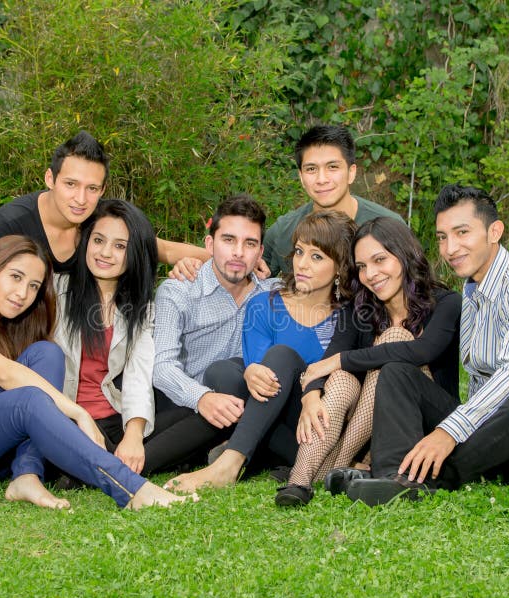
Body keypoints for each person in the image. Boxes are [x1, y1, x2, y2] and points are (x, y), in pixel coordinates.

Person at [0, 235, 188, 510]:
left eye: (34, 286)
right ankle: (131, 488)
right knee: (29, 399)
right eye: (15, 277)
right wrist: (79, 413)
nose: (23, 293)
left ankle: (26, 473)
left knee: (47, 354)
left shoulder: (10, 328)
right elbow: (8, 376)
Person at [340, 185, 509, 507]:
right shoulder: (471, 292)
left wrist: (449, 431)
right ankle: (390, 477)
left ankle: (420, 481)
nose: (450, 247)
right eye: (442, 237)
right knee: (398, 372)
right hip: (489, 440)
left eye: (462, 232)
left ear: (494, 231)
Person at [0, 130, 209, 352]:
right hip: (14, 337)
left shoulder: (97, 220)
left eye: (92, 189)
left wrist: (238, 261)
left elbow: (165, 249)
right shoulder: (11, 223)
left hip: (76, 339)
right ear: (50, 178)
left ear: (102, 190)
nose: (80, 199)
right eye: (71, 184)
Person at [164, 210, 357, 493]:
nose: (302, 264)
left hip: (319, 429)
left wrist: (310, 394)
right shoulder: (265, 303)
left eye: (317, 257)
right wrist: (253, 369)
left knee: (282, 355)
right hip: (272, 419)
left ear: (340, 267)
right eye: (300, 251)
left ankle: (235, 460)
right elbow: (257, 368)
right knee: (223, 373)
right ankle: (241, 459)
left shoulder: (348, 318)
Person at [275, 217, 461, 506]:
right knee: (342, 379)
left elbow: (422, 352)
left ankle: (337, 463)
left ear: (404, 255)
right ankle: (298, 482)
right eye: (362, 267)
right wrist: (311, 397)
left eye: (379, 260)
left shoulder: (446, 303)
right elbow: (324, 365)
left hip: (426, 422)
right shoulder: (360, 308)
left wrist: (341, 359)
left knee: (394, 337)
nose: (370, 274)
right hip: (368, 429)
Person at [143, 194, 278, 474]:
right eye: (228, 240)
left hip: (240, 402)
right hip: (182, 404)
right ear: (209, 244)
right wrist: (202, 398)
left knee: (232, 379)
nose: (238, 252)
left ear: (260, 252)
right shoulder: (179, 290)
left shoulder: (273, 295)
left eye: (249, 243)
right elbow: (162, 367)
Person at [168, 124, 402, 280]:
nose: (322, 179)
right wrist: (192, 264)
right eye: (311, 169)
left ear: (351, 172)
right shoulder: (285, 230)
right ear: (300, 177)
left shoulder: (387, 226)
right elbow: (242, 264)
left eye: (332, 167)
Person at [54, 199, 158, 475]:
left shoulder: (140, 307)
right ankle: (106, 466)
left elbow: (139, 374)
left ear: (135, 252)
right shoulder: (56, 291)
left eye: (120, 246)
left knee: (195, 417)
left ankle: (105, 464)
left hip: (111, 417)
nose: (105, 253)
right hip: (63, 417)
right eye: (98, 240)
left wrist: (134, 435)